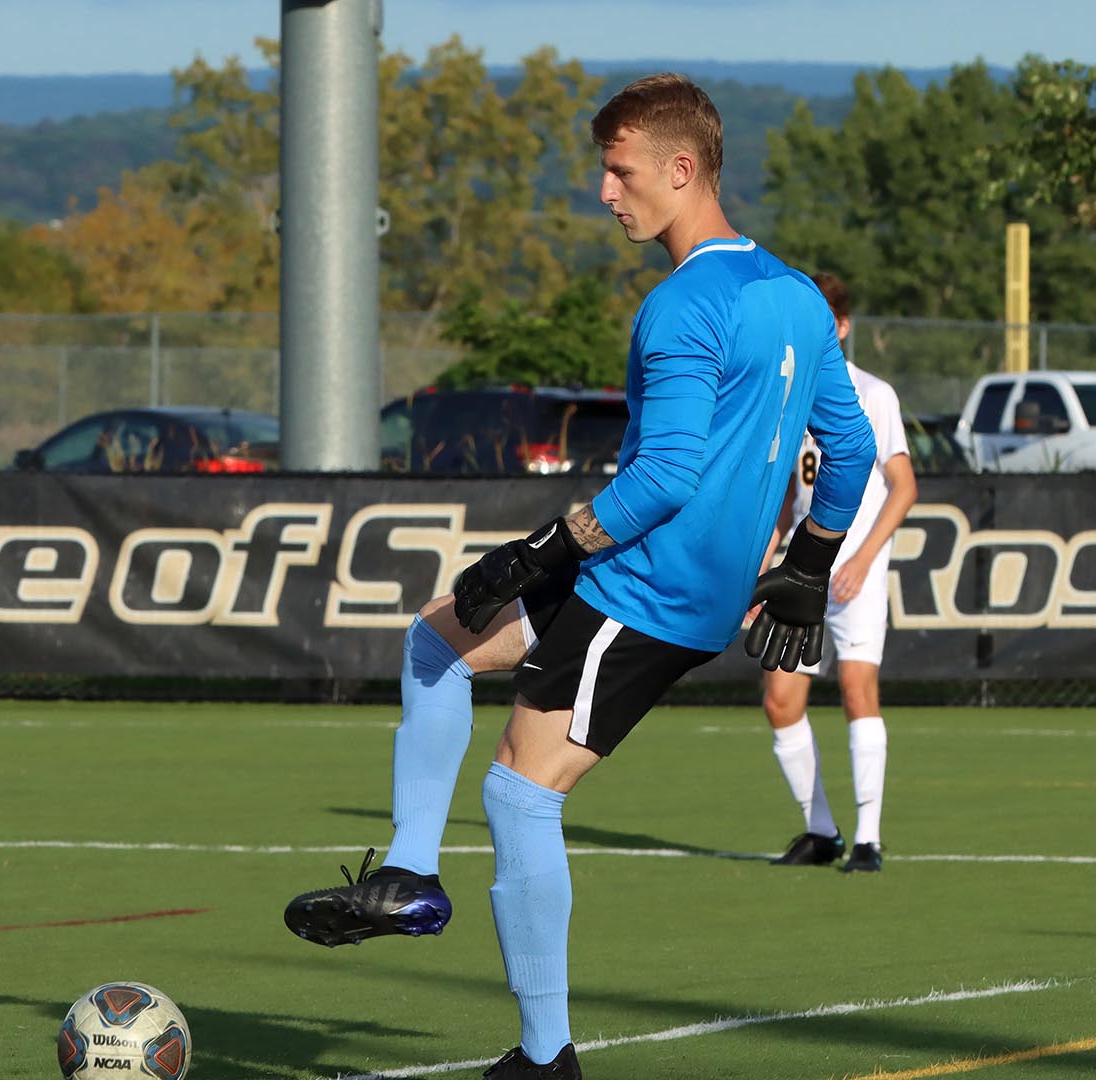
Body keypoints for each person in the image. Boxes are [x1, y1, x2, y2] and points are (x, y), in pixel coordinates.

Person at [280, 74, 876, 1080]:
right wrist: (807, 564)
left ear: (682, 170)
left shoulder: (680, 307)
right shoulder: (794, 295)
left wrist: (540, 552)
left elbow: (666, 476)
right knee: (437, 637)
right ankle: (413, 874)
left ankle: (546, 1059)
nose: (606, 192)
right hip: (673, 577)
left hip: (646, 587)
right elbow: (849, 450)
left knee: (520, 795)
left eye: (620, 170)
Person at [756, 273, 918, 875]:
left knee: (857, 691)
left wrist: (861, 559)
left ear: (842, 329)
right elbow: (784, 501)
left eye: (823, 320)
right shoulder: (785, 399)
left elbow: (903, 488)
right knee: (779, 700)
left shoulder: (873, 394)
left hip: (854, 576)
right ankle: (821, 830)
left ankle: (869, 840)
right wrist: (765, 565)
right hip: (802, 575)